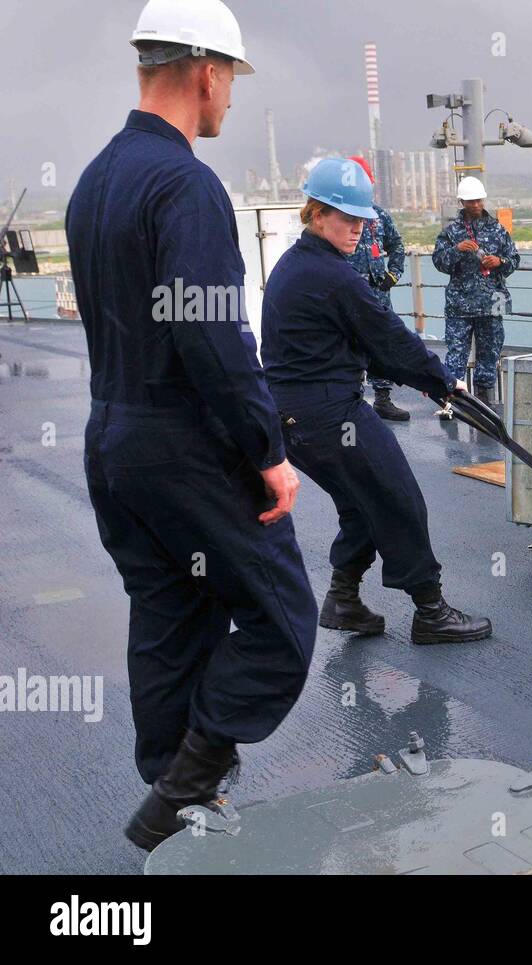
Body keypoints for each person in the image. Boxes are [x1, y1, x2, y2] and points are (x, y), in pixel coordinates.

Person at [65, 0, 318, 852]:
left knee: (171, 615)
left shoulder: (95, 180)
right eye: (230, 82)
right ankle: (178, 796)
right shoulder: (186, 184)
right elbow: (212, 334)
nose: (231, 100)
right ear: (206, 72)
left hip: (113, 440)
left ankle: (175, 799)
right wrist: (268, 451)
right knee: (284, 622)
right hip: (182, 444)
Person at [260, 157, 492, 646]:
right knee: (397, 495)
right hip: (325, 413)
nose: (358, 229)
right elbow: (388, 337)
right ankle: (431, 611)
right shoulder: (333, 276)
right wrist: (445, 380)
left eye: (362, 219)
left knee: (361, 501)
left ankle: (343, 599)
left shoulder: (297, 265)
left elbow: (363, 347)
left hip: (293, 415)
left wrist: (430, 382)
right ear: (316, 214)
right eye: (347, 219)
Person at [432, 176, 519, 407]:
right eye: (471, 201)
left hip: (492, 302)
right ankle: (452, 400)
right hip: (460, 304)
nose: (476, 205)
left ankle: (484, 400)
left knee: (490, 352)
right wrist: (457, 250)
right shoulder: (451, 232)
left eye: (479, 200)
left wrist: (499, 261)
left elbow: (514, 260)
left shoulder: (498, 230)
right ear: (462, 202)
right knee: (456, 353)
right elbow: (440, 262)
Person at [344, 155, 409, 422]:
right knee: (348, 345)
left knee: (382, 342)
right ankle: (351, 399)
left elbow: (397, 246)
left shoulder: (380, 216)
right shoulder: (340, 216)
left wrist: (393, 274)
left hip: (378, 293)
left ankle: (383, 398)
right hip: (347, 294)